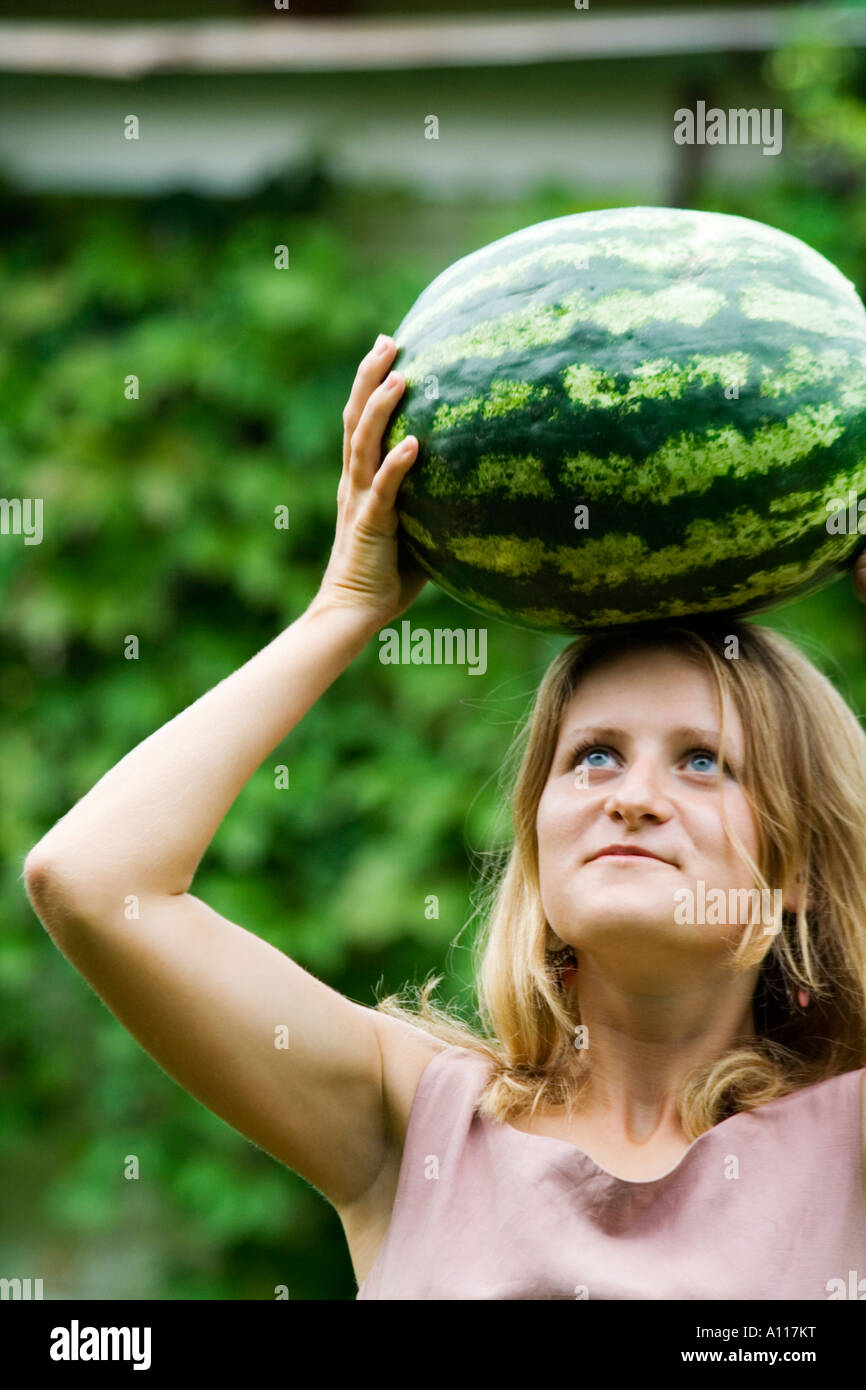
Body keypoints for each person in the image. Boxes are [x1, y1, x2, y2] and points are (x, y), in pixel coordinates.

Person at [24, 334, 866, 1301]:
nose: (633, 795)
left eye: (705, 762)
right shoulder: (412, 1121)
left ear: (798, 864)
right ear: (538, 840)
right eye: (593, 756)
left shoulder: (848, 1144)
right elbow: (91, 881)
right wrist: (342, 609)